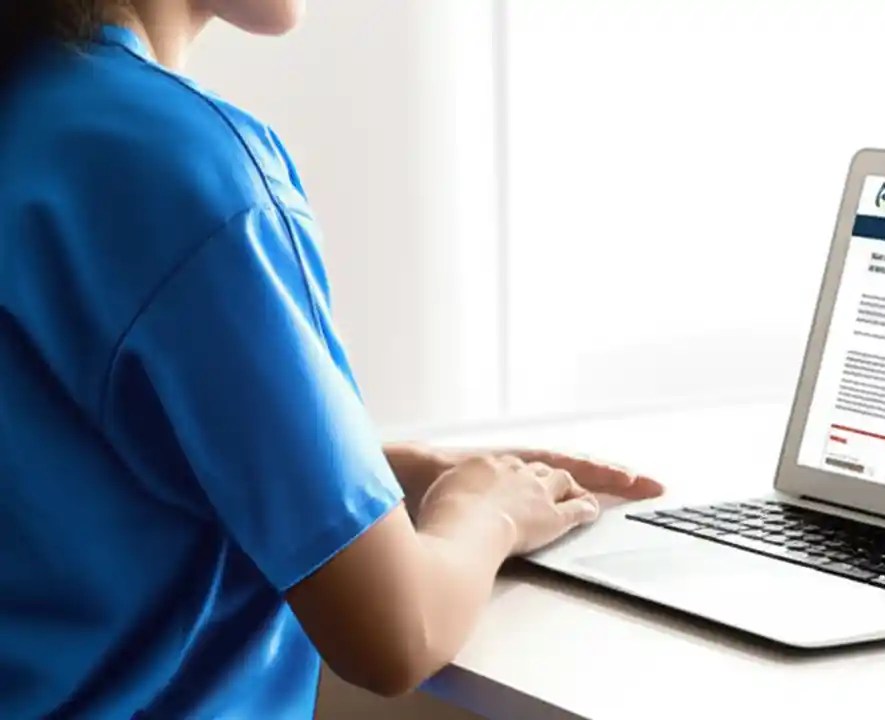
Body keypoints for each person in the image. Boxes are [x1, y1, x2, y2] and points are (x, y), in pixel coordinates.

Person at [0, 1, 664, 717]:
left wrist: (374, 477)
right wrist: (486, 512)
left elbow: (69, 479)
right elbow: (395, 633)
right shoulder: (179, 168)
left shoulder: (35, 120)